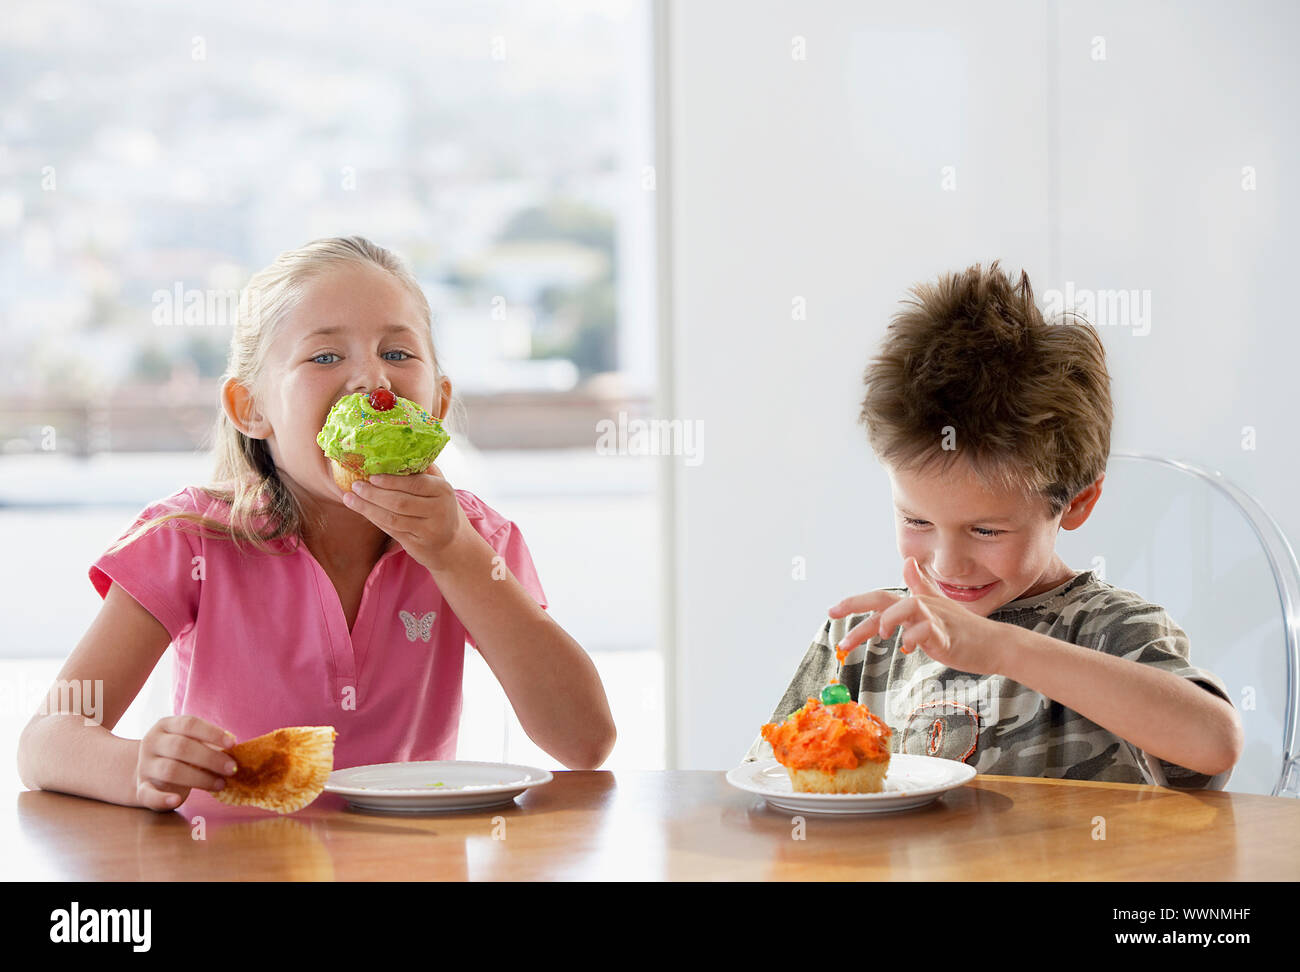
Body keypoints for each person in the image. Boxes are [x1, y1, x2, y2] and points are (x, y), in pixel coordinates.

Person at [18, 236, 616, 811]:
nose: (372, 382)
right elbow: (45, 741)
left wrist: (453, 552)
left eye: (398, 354)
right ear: (250, 409)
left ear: (435, 402)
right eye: (325, 356)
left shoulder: (475, 539)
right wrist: (136, 767)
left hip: (405, 866)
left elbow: (585, 741)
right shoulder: (188, 540)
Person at [745, 261, 1242, 788]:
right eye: (916, 519)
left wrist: (1001, 646)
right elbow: (769, 785)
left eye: (986, 531)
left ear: (1076, 502)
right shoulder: (868, 639)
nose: (947, 563)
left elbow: (1214, 744)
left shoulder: (1109, 631)